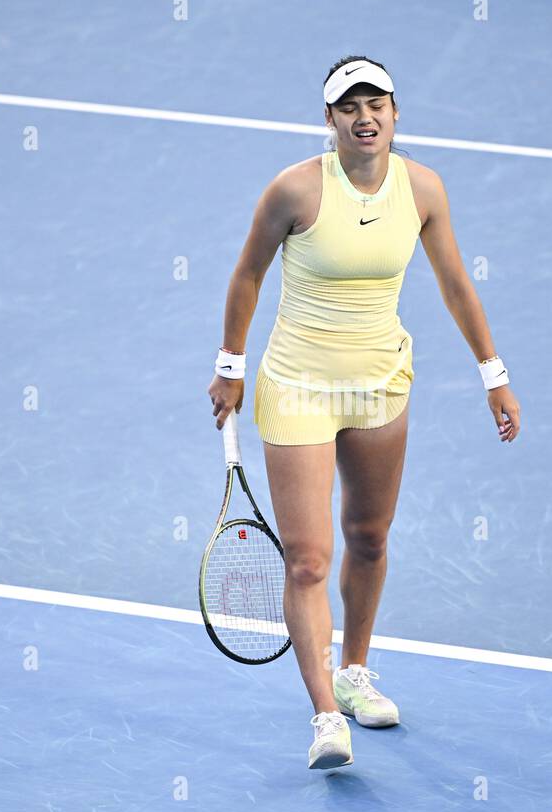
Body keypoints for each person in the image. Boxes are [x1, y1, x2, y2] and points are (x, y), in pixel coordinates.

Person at [207, 55, 521, 769]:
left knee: (370, 538)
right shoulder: (294, 190)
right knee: (311, 560)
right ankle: (325, 717)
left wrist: (493, 375)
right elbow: (247, 276)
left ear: (396, 110)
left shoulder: (425, 190)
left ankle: (354, 674)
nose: (365, 116)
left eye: (375, 102)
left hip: (380, 384)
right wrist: (230, 367)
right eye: (349, 107)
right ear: (330, 120)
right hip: (298, 388)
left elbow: (455, 285)